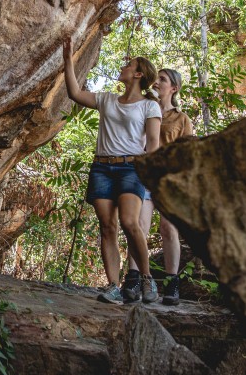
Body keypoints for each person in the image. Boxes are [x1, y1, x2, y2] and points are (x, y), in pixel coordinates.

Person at [61, 36, 162, 304]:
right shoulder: (107, 99)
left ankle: (146, 278)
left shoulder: (149, 105)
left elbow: (152, 142)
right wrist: (67, 60)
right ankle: (113, 285)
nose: (123, 67)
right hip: (102, 168)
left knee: (130, 223)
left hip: (132, 168)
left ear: (138, 74)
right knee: (107, 227)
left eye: (129, 65)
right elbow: (74, 93)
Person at [135, 68, 194, 305]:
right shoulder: (144, 108)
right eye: (156, 78)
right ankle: (138, 280)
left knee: (169, 230)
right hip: (143, 177)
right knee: (139, 227)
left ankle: (172, 284)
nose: (157, 82)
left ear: (174, 88)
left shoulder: (181, 118)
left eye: (163, 80)